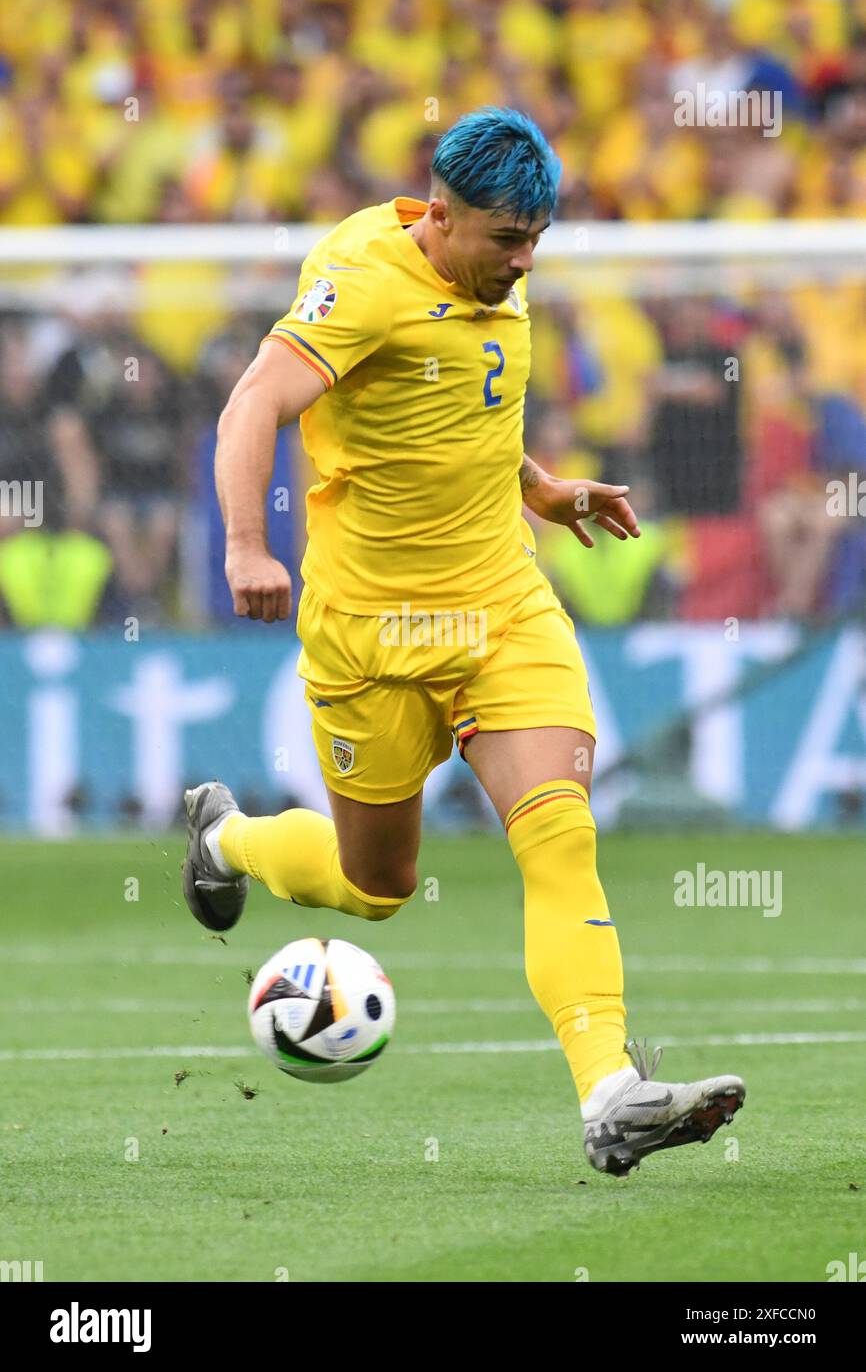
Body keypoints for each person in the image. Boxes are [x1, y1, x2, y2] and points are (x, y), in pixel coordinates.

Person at [181, 108, 745, 1176]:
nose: (523, 258)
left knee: (557, 832)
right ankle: (226, 840)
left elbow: (465, 401)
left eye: (535, 238)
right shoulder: (358, 282)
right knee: (375, 885)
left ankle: (609, 1090)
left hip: (499, 606)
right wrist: (248, 546)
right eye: (503, 240)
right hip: (372, 632)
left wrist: (537, 487)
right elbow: (251, 405)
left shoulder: (500, 267)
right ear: (438, 216)